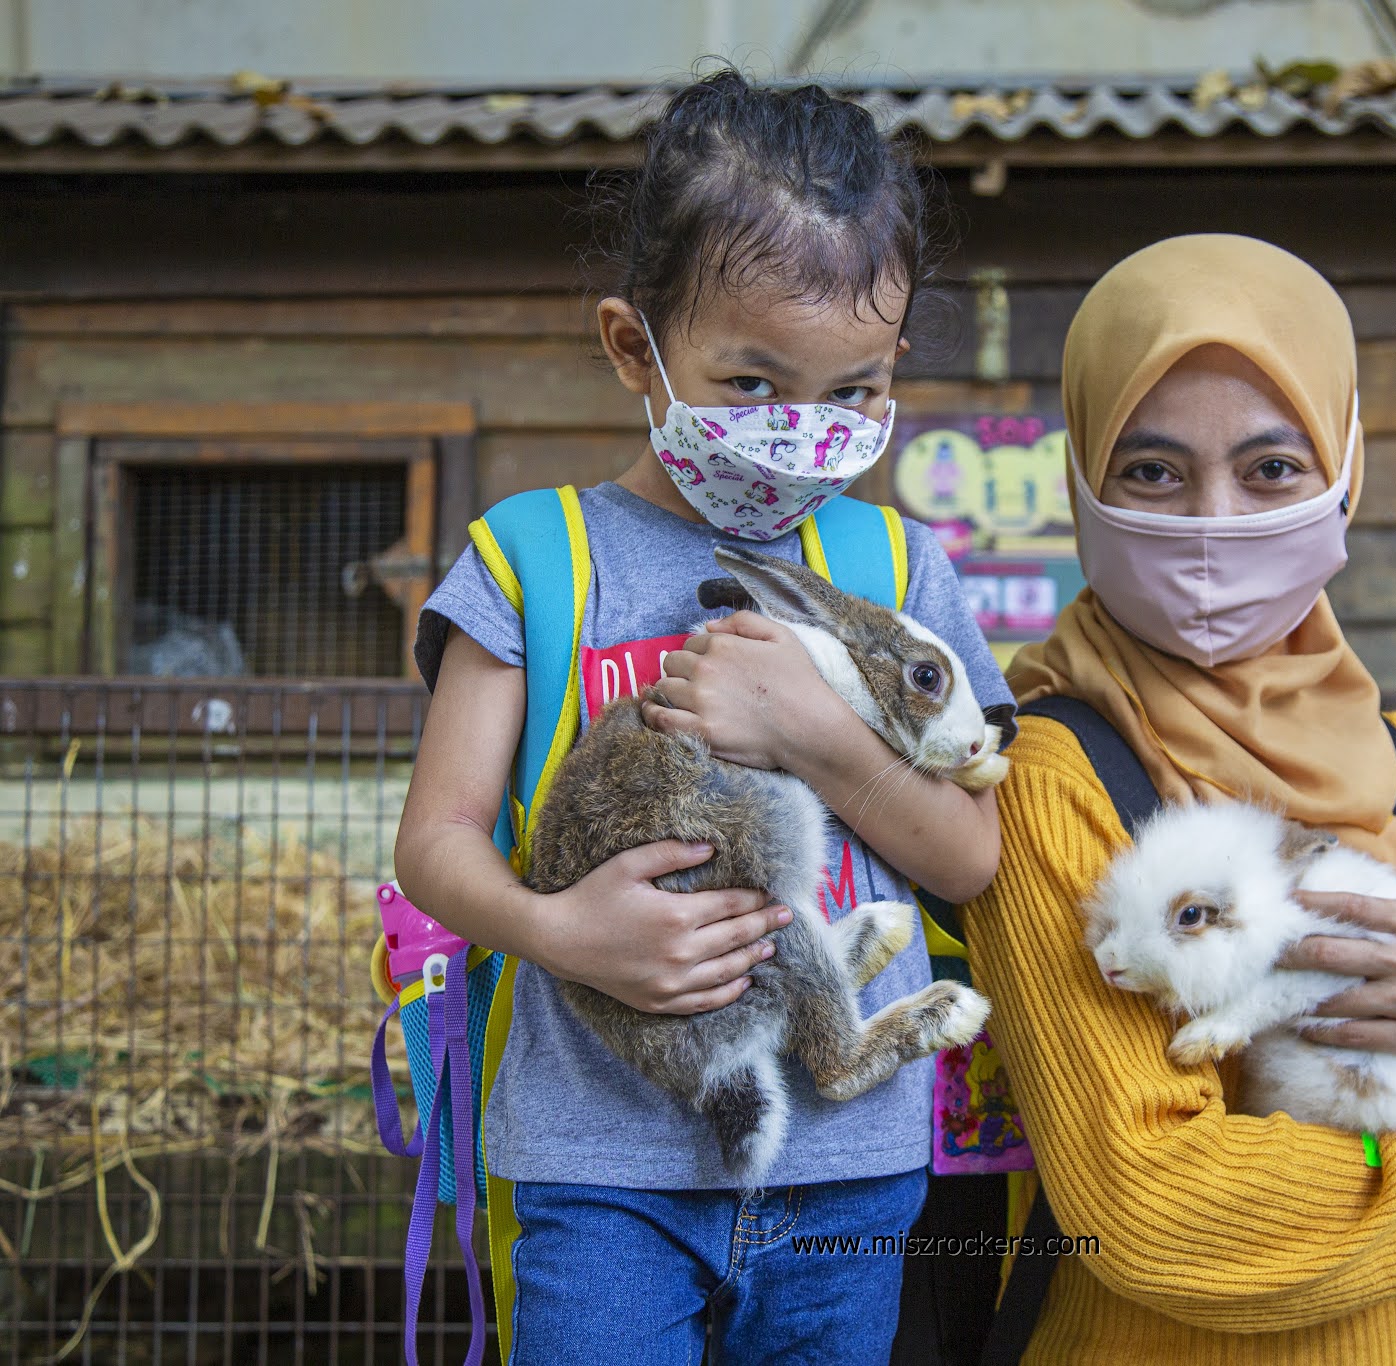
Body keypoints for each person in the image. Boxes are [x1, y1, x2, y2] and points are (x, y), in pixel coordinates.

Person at [393, 72, 1010, 1365]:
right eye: (750, 380)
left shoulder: (903, 571)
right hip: (595, 1156)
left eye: (852, 390)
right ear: (637, 348)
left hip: (852, 1160)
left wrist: (817, 736)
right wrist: (561, 929)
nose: (803, 431)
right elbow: (436, 840)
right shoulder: (536, 559)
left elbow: (969, 857)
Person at [961, 234, 1396, 1363]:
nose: (1210, 520)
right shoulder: (1053, 778)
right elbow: (1155, 1212)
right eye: (1150, 470)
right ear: (1080, 478)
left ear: (1345, 471)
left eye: (1270, 468)